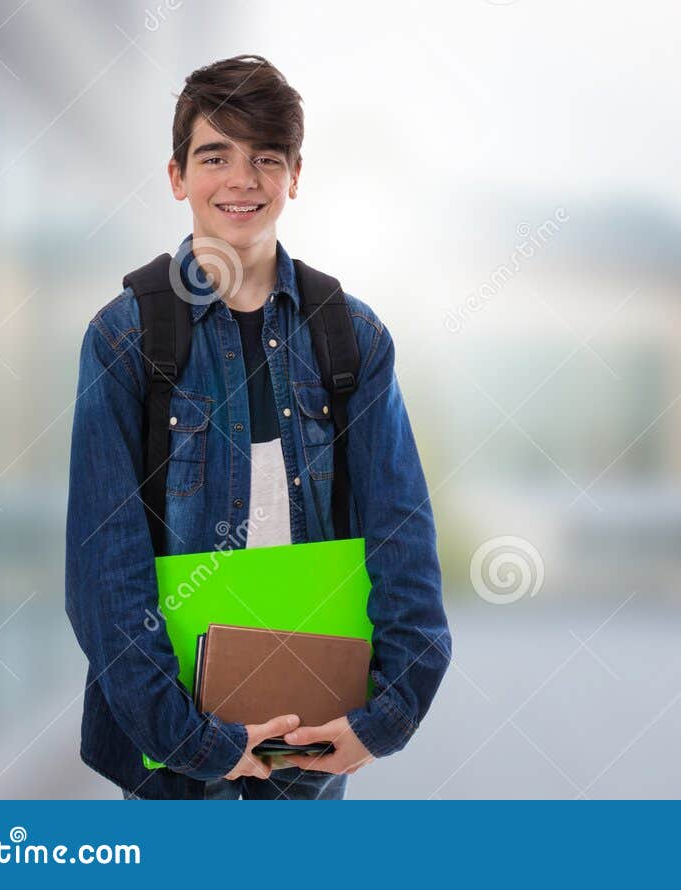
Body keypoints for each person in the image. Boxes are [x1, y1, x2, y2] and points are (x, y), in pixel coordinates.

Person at [63, 54, 450, 800]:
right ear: (178, 176)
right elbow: (102, 578)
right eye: (215, 157)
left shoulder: (353, 337)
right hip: (171, 753)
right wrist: (192, 742)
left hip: (311, 739)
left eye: (265, 159)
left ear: (294, 176)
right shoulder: (125, 339)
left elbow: (404, 541)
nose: (241, 180)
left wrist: (386, 717)